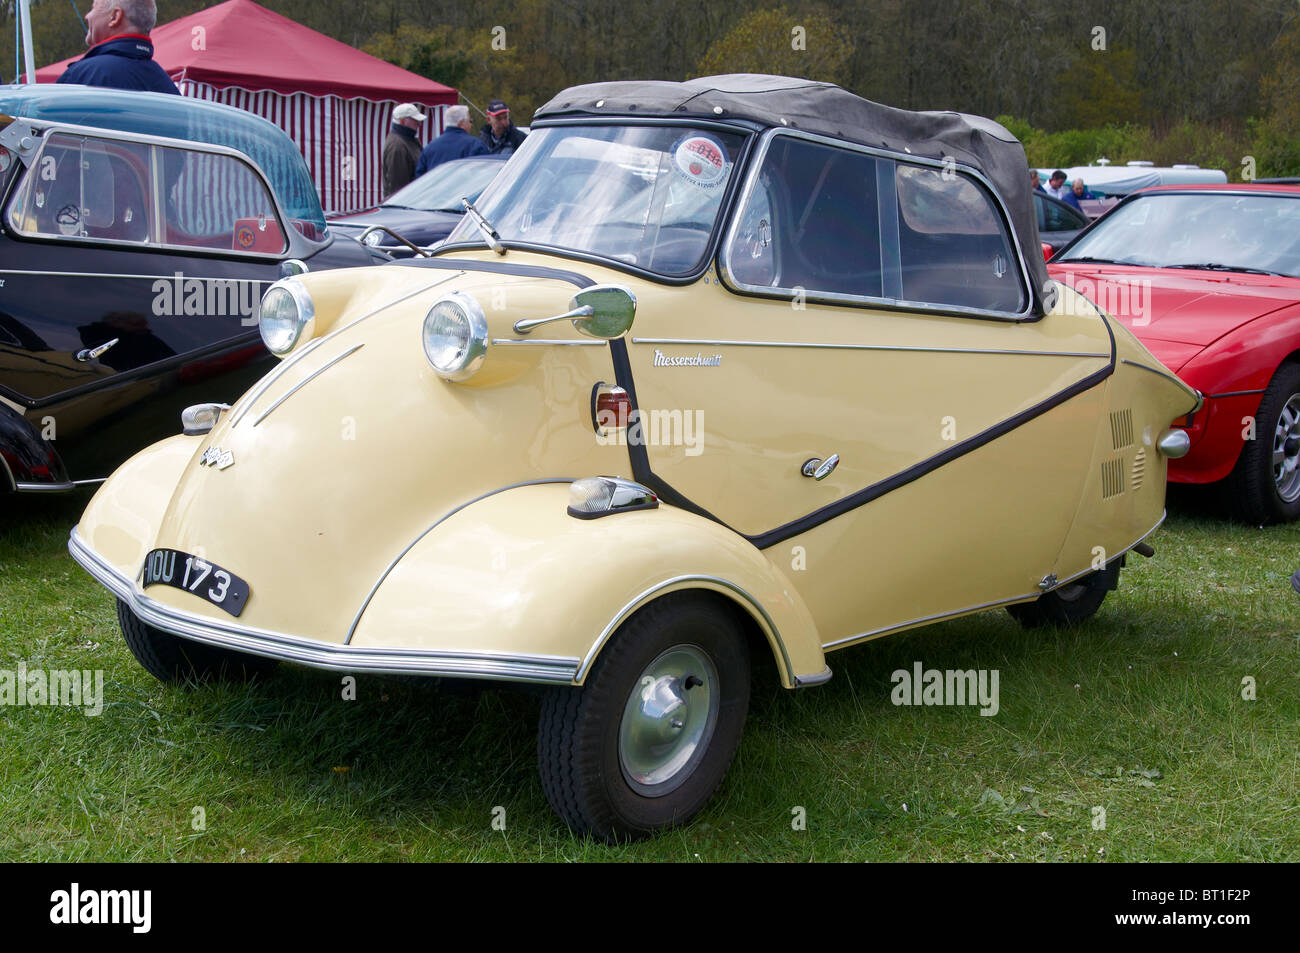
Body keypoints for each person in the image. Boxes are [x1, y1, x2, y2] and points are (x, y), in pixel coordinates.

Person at [56, 0, 178, 94]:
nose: (87, 16)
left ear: (115, 17)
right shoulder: (166, 84)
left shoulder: (84, 75)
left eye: (93, 7)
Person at [414, 105, 488, 177]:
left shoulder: (429, 148)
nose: (471, 124)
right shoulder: (476, 146)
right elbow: (485, 174)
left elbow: (420, 178)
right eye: (470, 121)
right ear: (461, 123)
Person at [383, 103, 426, 198]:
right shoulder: (397, 146)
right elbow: (397, 185)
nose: (419, 124)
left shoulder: (410, 140)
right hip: (406, 203)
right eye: (415, 120)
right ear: (402, 121)